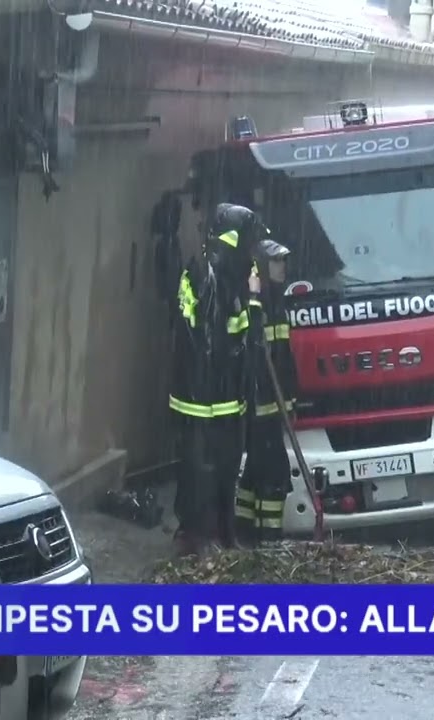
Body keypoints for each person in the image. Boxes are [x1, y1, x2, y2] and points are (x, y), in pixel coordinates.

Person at [168, 204, 256, 556]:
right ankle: (195, 537)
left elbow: (240, 338)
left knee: (227, 469)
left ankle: (224, 533)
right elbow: (208, 341)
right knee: (199, 470)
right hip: (200, 399)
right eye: (248, 243)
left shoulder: (233, 277)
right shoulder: (204, 275)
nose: (252, 252)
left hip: (227, 400)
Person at [238, 237, 296, 544]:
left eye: (283, 260)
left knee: (257, 470)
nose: (282, 266)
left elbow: (283, 356)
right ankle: (269, 537)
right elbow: (253, 354)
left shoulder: (276, 300)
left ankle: (248, 532)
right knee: (273, 473)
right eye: (276, 261)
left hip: (273, 404)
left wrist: (292, 396)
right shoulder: (255, 304)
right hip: (261, 405)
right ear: (261, 266)